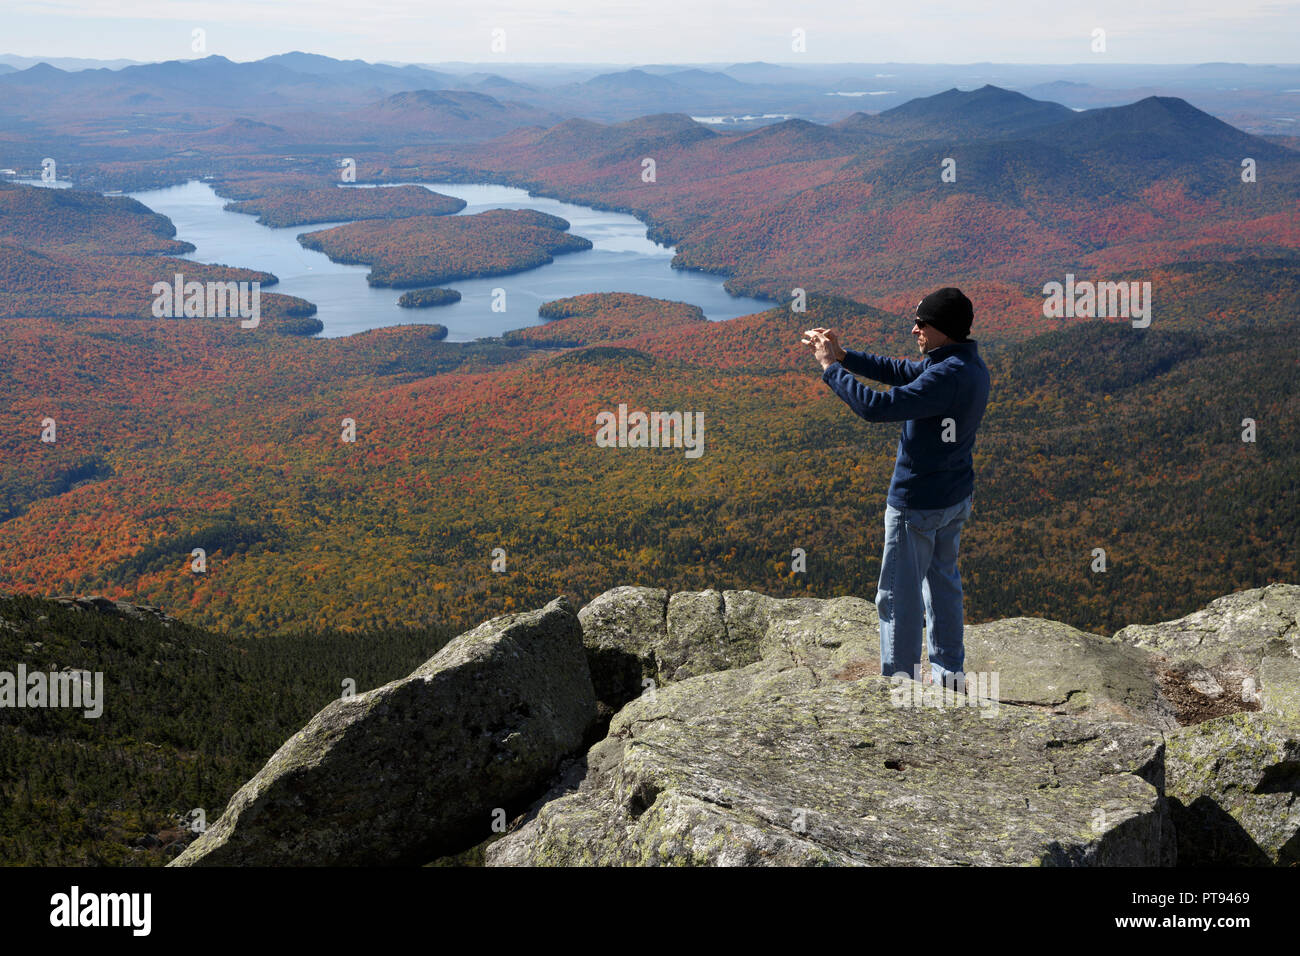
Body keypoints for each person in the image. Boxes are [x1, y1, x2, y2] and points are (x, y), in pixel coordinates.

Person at [802, 287, 990, 690]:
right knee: (943, 586)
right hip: (954, 498)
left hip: (917, 504)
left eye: (922, 323)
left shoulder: (945, 374)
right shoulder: (964, 363)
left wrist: (830, 369)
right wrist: (845, 356)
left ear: (945, 329)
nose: (914, 328)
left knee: (898, 599)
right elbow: (903, 371)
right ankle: (948, 678)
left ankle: (899, 687)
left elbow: (876, 408)